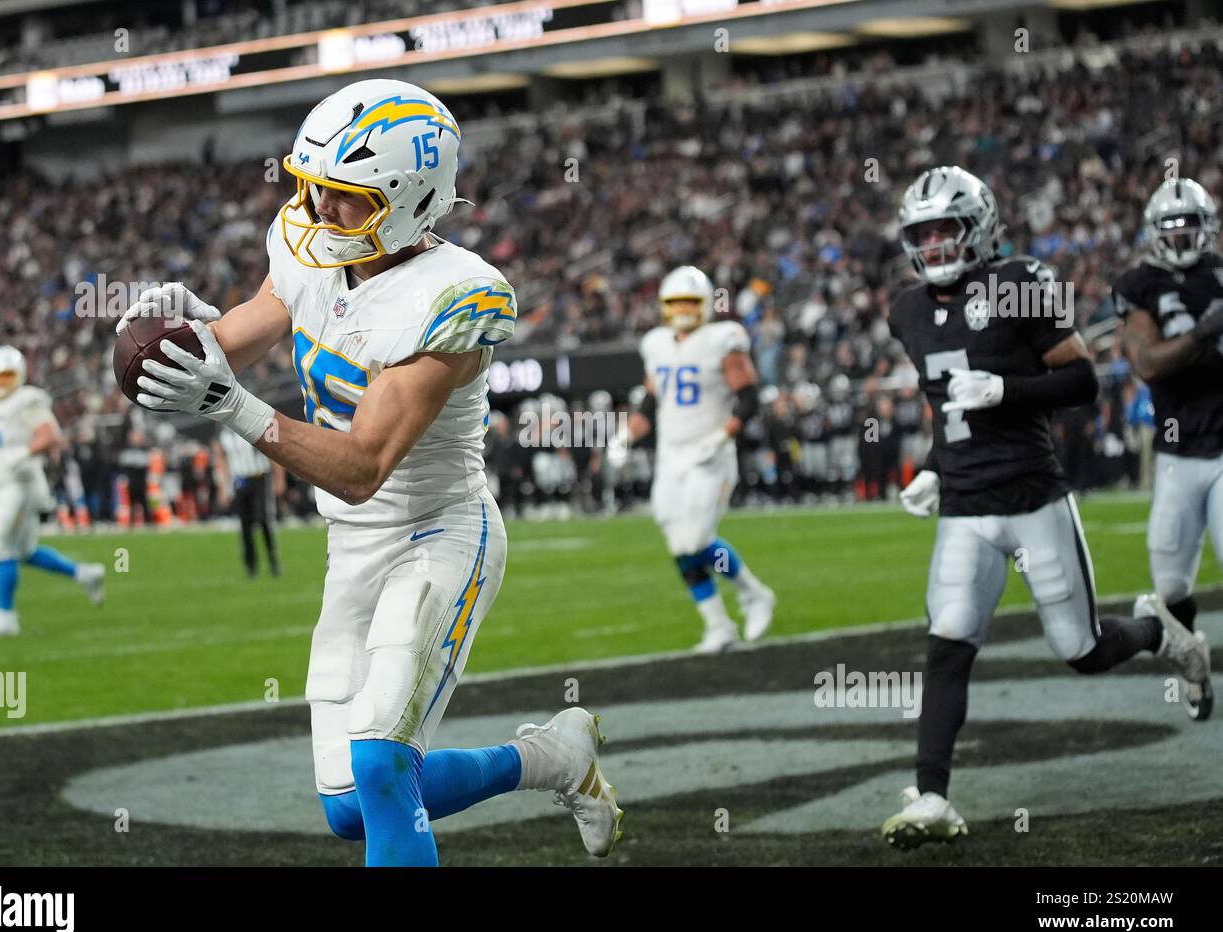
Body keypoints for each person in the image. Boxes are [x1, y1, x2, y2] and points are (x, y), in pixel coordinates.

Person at [115, 79, 622, 866]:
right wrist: (183, 338)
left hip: (438, 530)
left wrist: (233, 405)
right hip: (351, 544)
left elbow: (362, 467)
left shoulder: (457, 298)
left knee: (383, 764)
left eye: (344, 196)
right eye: (312, 188)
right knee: (351, 807)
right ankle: (554, 759)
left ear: (412, 199)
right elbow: (242, 334)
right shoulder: (309, 243)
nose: (317, 211)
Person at [882, 166, 1210, 850]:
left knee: (1082, 650)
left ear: (979, 226)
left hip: (1033, 496)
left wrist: (1005, 391)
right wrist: (935, 468)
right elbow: (945, 404)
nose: (936, 244)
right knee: (948, 645)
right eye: (924, 233)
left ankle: (1160, 633)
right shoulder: (906, 310)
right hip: (966, 506)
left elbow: (1083, 379)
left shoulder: (1022, 283)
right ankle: (934, 796)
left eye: (948, 229)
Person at [1115, 176, 1223, 714]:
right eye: (1171, 228)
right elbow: (1146, 362)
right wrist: (1204, 334)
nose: (1181, 239)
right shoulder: (1139, 285)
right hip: (1178, 453)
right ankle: (1193, 666)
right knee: (1171, 584)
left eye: (1190, 227)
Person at [629, 265, 776, 654]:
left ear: (706, 304)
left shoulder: (723, 340)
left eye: (689, 302)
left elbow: (749, 399)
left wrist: (721, 435)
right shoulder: (656, 343)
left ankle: (753, 593)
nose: (682, 310)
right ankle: (718, 625)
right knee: (680, 545)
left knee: (696, 538)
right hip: (670, 456)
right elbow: (649, 398)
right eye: (675, 302)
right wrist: (625, 434)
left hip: (710, 455)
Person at [0, 346, 104, 637]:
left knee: (3, 546)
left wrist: (22, 453)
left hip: (20, 486)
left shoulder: (28, 399)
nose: (1, 383)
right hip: (4, 484)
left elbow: (51, 436)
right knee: (25, 551)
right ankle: (85, 574)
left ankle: (5, 616)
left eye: (6, 376)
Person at [213, 427, 281, 577]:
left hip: (258, 477)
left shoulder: (249, 425)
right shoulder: (223, 433)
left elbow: (272, 450)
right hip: (239, 481)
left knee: (263, 519)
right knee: (244, 524)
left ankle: (273, 560)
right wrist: (223, 487)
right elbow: (221, 460)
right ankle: (251, 565)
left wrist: (279, 479)